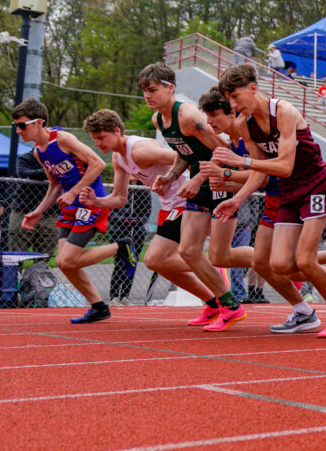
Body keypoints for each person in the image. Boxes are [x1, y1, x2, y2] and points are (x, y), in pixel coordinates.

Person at [212, 64, 326, 338]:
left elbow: (284, 166)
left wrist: (241, 161)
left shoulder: (283, 111)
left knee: (305, 260)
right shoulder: (246, 125)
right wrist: (237, 199)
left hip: (315, 186)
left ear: (253, 88)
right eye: (229, 100)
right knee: (279, 265)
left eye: (235, 97)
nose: (233, 105)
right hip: (289, 193)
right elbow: (260, 172)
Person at [82, 109, 223, 314]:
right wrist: (96, 201)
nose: (98, 143)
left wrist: (172, 178)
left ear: (117, 131)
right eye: (94, 139)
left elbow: (188, 155)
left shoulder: (140, 150)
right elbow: (120, 199)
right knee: (161, 265)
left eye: (102, 137)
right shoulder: (118, 157)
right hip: (168, 205)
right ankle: (213, 303)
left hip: (186, 199)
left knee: (155, 259)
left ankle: (216, 262)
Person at [141, 63, 246, 331]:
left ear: (170, 88)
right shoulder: (158, 120)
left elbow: (223, 149)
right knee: (188, 251)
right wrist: (171, 177)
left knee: (220, 256)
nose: (148, 96)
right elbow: (185, 152)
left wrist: (200, 177)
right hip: (200, 184)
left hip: (220, 181)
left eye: (152, 90)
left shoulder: (188, 116)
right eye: (144, 91)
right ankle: (226, 304)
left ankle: (279, 261)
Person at [11, 99, 133, 324]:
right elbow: (55, 185)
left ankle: (121, 248)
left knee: (68, 259)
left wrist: (74, 192)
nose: (18, 130)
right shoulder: (39, 152)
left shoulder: (63, 139)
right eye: (15, 126)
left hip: (90, 202)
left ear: (39, 122)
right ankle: (98, 306)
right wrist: (38, 211)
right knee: (64, 263)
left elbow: (97, 164)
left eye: (22, 125)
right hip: (69, 207)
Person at [8, 149, 58, 256]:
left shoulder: (59, 158)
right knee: (17, 249)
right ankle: (16, 271)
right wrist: (48, 171)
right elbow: (23, 173)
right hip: (24, 210)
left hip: (51, 211)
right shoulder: (26, 158)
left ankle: (39, 271)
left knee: (46, 250)